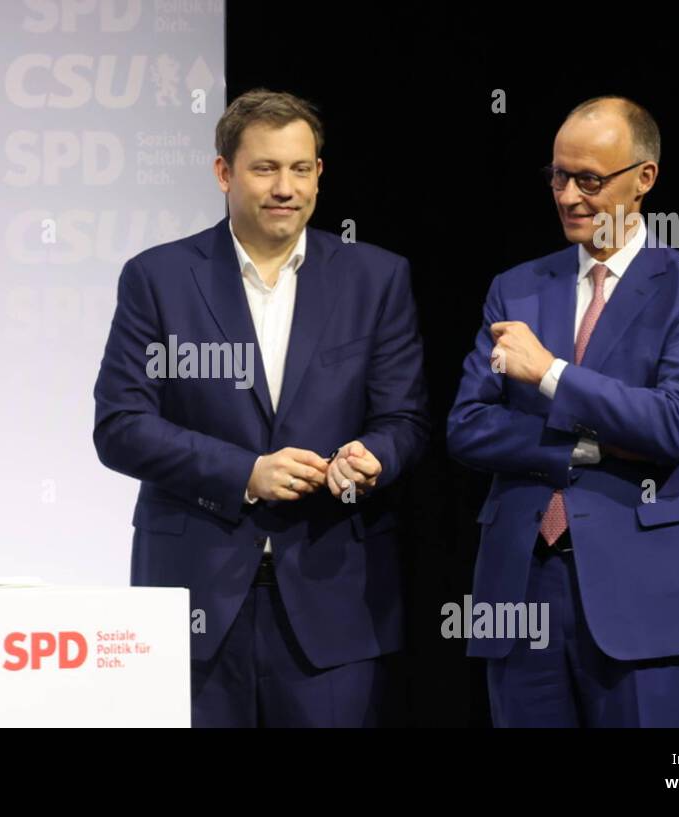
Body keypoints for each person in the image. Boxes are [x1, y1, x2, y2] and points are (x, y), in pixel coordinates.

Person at [94, 89, 429, 726]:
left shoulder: (376, 277)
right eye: (264, 168)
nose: (285, 188)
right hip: (195, 601)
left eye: (301, 169)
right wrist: (245, 472)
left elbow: (405, 421)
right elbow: (120, 427)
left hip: (335, 600)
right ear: (224, 173)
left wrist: (372, 456)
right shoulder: (158, 277)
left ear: (319, 174)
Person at [446, 97, 679, 727]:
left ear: (644, 179)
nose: (569, 196)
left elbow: (678, 424)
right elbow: (468, 427)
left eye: (590, 180)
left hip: (644, 588)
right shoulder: (516, 287)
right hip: (523, 583)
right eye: (558, 176)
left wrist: (549, 374)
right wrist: (584, 446)